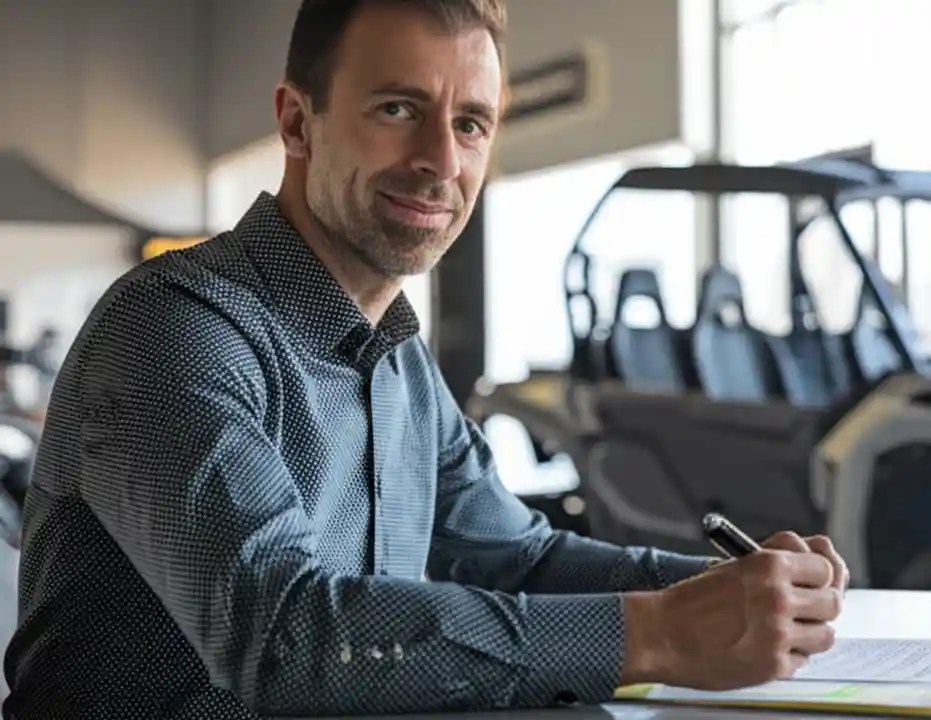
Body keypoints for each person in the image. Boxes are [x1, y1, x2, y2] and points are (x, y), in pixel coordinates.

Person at [3, 0, 850, 717]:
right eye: (398, 109)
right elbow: (284, 636)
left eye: (471, 123)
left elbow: (520, 559)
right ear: (298, 121)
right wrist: (660, 633)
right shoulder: (175, 331)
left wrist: (732, 590)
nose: (442, 162)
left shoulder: (399, 365)